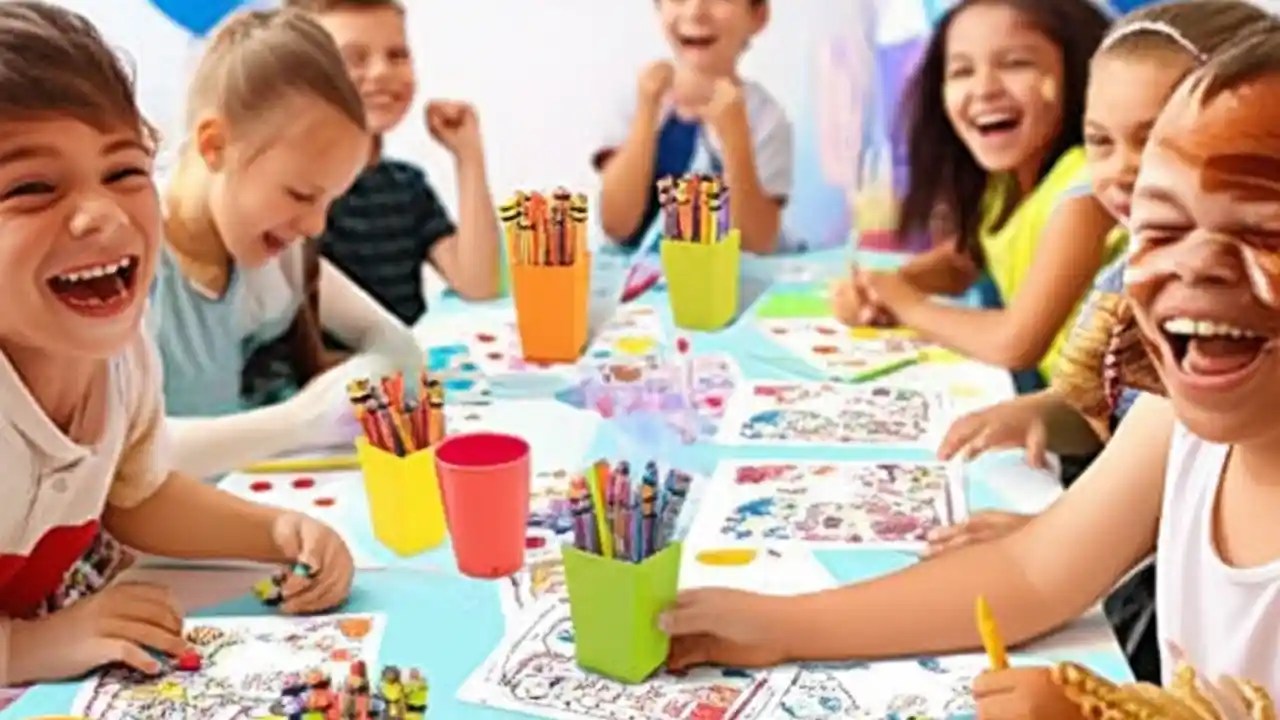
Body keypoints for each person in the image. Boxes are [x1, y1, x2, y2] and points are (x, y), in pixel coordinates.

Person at [659, 33, 1280, 711]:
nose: (1195, 266)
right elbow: (1032, 573)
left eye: (1267, 232)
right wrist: (780, 624)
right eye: (1162, 227)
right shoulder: (1179, 423)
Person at [0, 2, 353, 686]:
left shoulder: (122, 358)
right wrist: (26, 648)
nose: (101, 212)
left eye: (125, 171)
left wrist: (273, 531)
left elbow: (134, 494)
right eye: (33, 186)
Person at [925, 2, 1278, 685]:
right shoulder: (1144, 293)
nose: (1120, 171)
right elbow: (1095, 404)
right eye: (1101, 141)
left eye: (1151, 140)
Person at [152, 8, 424, 479]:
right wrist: (304, 420)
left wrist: (346, 393)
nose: (316, 226)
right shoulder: (125, 259)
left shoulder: (268, 251)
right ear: (215, 146)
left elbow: (397, 345)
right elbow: (123, 455)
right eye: (300, 195)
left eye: (329, 203)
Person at [831, 0, 1121, 392]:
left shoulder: (1087, 190)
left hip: (1110, 429)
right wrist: (885, 286)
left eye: (1016, 63)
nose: (984, 89)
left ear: (1080, 72)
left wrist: (907, 304)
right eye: (962, 70)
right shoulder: (1004, 182)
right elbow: (966, 263)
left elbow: (1015, 343)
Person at [286, 0, 502, 326]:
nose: (382, 72)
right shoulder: (296, 197)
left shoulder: (406, 186)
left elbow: (479, 284)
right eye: (354, 58)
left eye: (397, 56)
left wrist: (468, 157)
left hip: (405, 369)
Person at [594, 0, 791, 255]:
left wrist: (735, 137)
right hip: (640, 285)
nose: (695, 11)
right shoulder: (638, 98)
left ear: (758, 16)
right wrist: (646, 114)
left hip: (725, 283)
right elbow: (616, 225)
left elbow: (758, 244)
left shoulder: (765, 117)